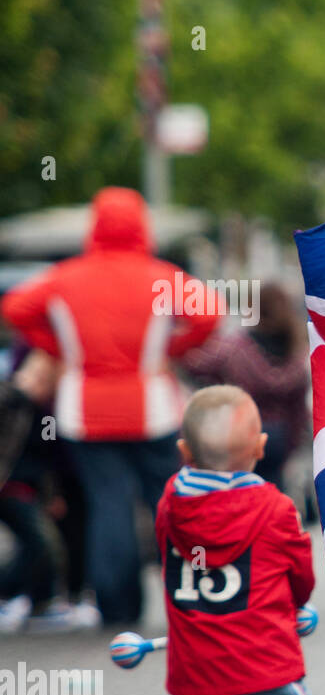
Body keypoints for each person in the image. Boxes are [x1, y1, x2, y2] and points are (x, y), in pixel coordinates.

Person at [1, 187, 221, 625]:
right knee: (172, 501)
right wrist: (174, 347)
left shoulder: (66, 277)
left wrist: (61, 348)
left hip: (85, 411)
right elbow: (210, 313)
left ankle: (118, 609)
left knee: (109, 507)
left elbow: (15, 308)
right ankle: (197, 594)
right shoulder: (162, 276)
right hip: (153, 406)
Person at [157, 385, 325, 695]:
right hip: (262, 672)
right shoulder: (274, 509)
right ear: (260, 447)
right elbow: (300, 576)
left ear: (184, 452)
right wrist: (292, 608)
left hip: (194, 676)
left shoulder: (170, 503)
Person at [0, 348, 98, 633]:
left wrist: (51, 494)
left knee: (41, 545)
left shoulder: (45, 418)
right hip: (9, 486)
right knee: (39, 544)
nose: (36, 384)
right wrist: (20, 392)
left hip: (22, 488)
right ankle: (14, 594)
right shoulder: (10, 399)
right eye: (33, 376)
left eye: (44, 379)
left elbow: (47, 456)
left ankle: (38, 601)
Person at [179, 282, 310, 490]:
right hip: (278, 437)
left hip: (237, 431)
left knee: (235, 494)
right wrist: (292, 443)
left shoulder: (236, 348)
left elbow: (195, 365)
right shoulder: (296, 353)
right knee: (271, 496)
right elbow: (298, 409)